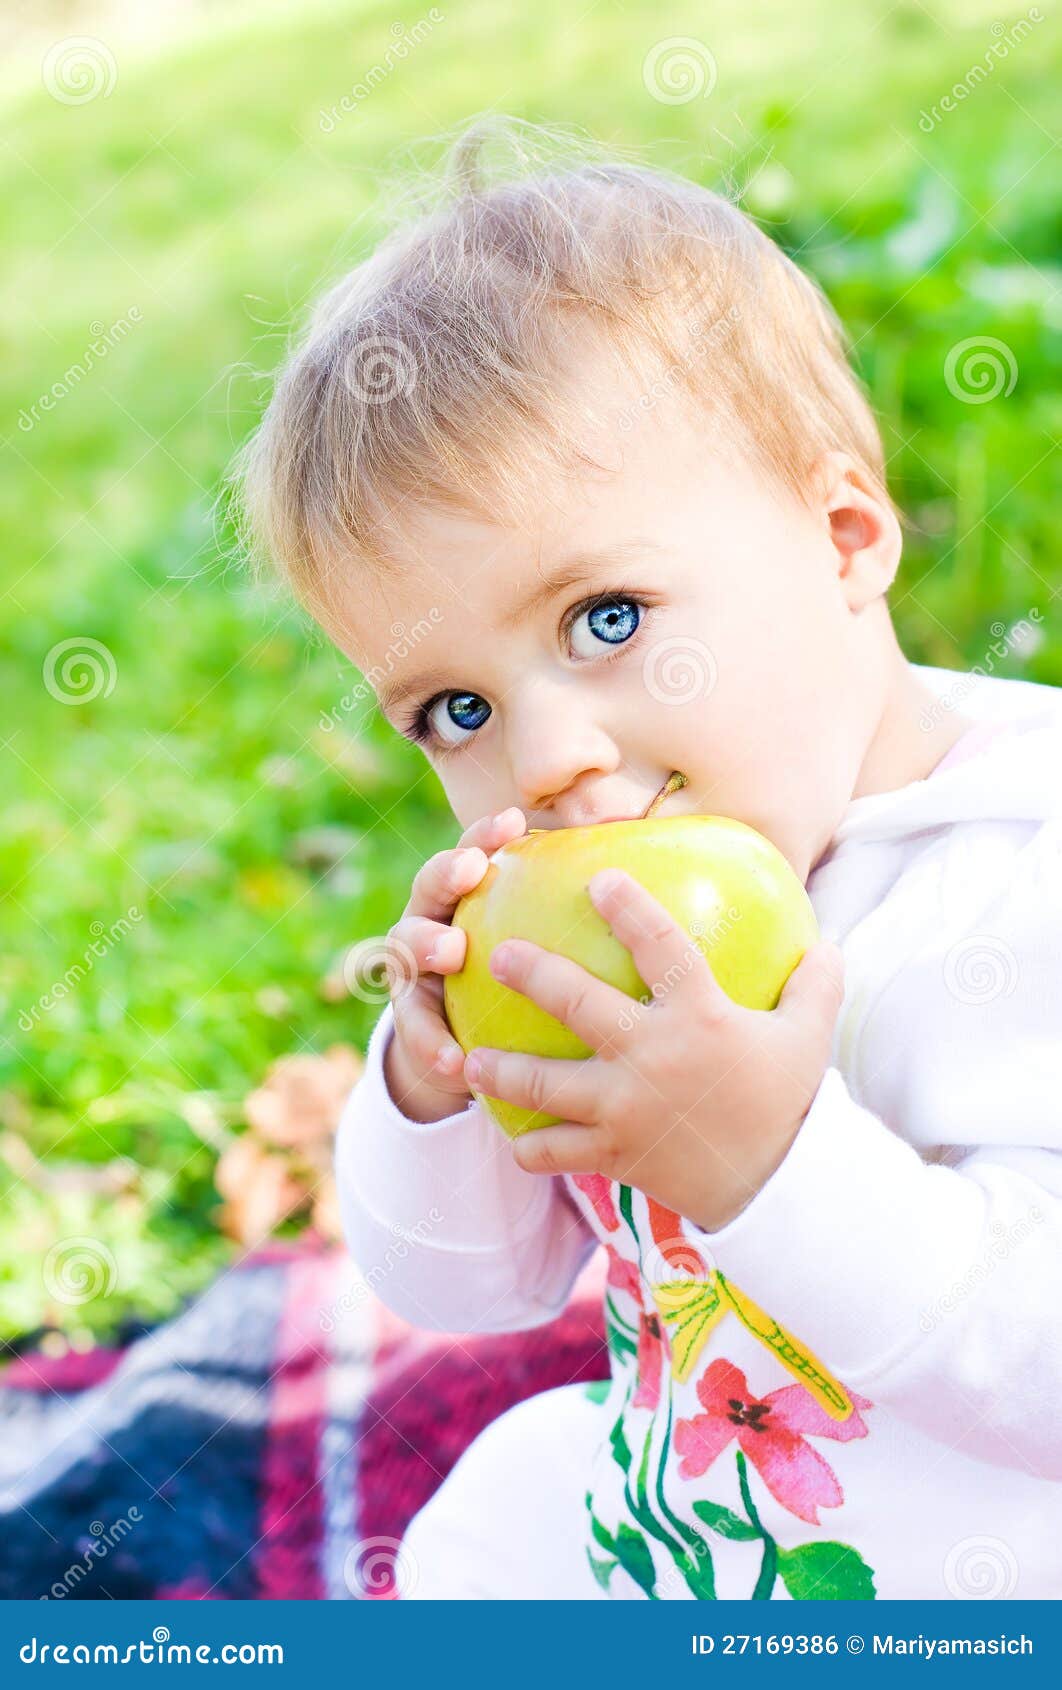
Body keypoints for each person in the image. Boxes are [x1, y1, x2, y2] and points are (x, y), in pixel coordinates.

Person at [234, 117, 1062, 1599]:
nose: (538, 759)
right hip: (703, 1526)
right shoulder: (585, 906)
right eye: (456, 708)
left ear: (842, 532)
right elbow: (469, 1285)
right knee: (497, 1515)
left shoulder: (1022, 873)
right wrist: (435, 1080)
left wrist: (768, 1164)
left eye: (606, 617)